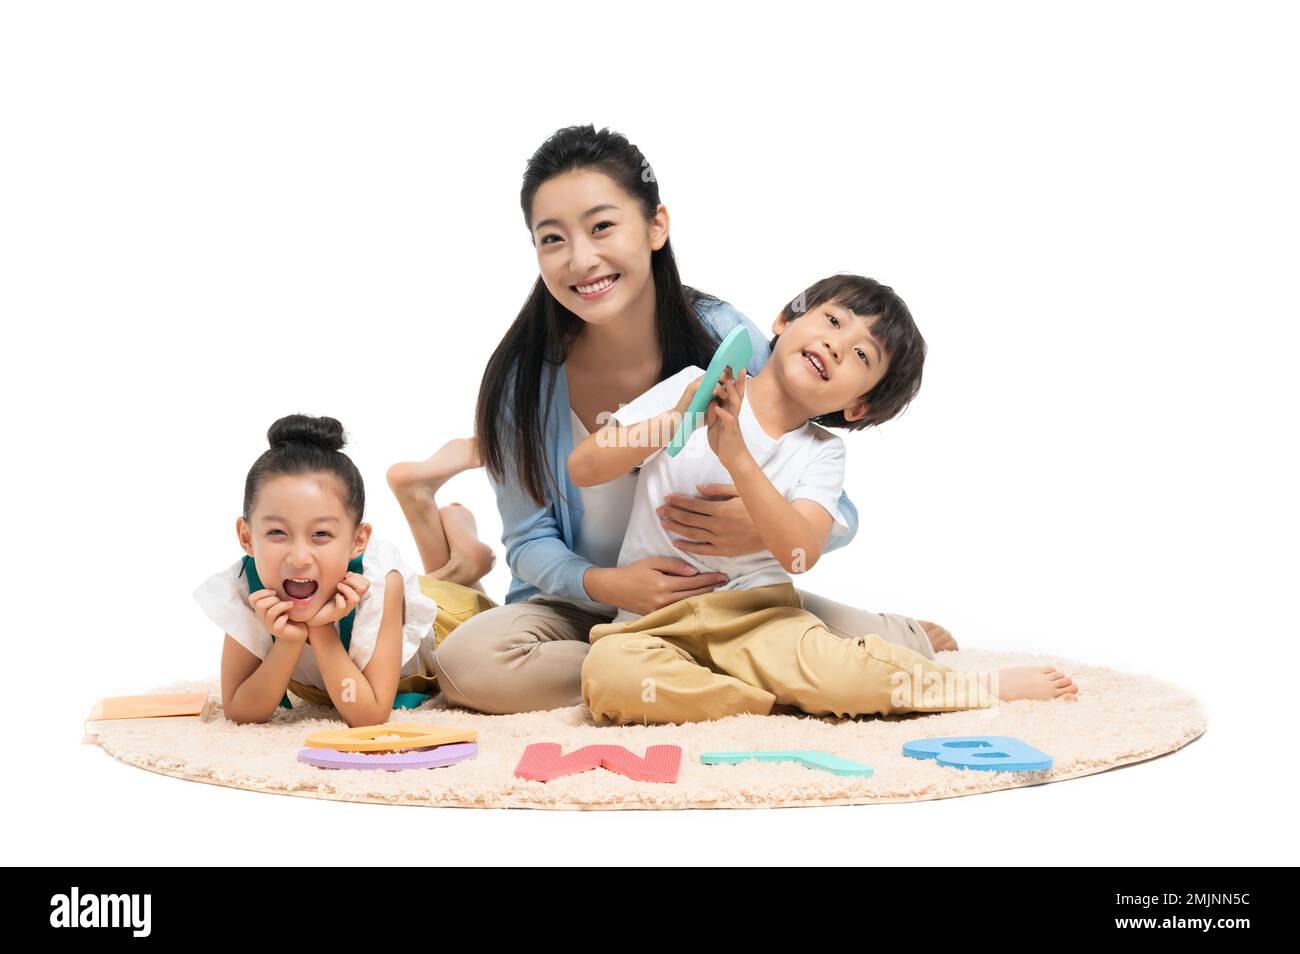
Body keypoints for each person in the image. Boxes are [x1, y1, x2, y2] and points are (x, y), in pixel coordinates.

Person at [389, 124, 953, 716]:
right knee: (471, 668)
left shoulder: (721, 336)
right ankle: (697, 668)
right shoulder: (518, 383)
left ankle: (861, 640)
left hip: (728, 593)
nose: (582, 259)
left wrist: (755, 528)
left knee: (834, 641)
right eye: (552, 239)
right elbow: (529, 543)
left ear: (656, 225)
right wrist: (610, 587)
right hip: (586, 608)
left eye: (602, 226)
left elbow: (832, 508)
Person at [571, 274, 1080, 724]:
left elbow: (802, 552)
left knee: (847, 672)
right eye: (834, 320)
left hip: (758, 621)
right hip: (650, 624)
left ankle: (976, 687)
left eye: (862, 355)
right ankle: (775, 702)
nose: (837, 346)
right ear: (784, 319)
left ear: (857, 406)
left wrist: (740, 460)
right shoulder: (689, 387)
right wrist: (675, 421)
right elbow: (584, 468)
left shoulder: (822, 454)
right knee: (611, 679)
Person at [195, 414, 495, 726]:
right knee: (431, 584)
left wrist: (322, 630)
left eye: (321, 534)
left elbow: (369, 715)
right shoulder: (247, 586)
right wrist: (288, 641)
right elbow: (240, 710)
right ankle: (449, 543)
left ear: (358, 540)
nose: (299, 558)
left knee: (480, 612)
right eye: (277, 533)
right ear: (247, 538)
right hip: (390, 589)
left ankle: (462, 564)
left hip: (450, 626)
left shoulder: (380, 582)